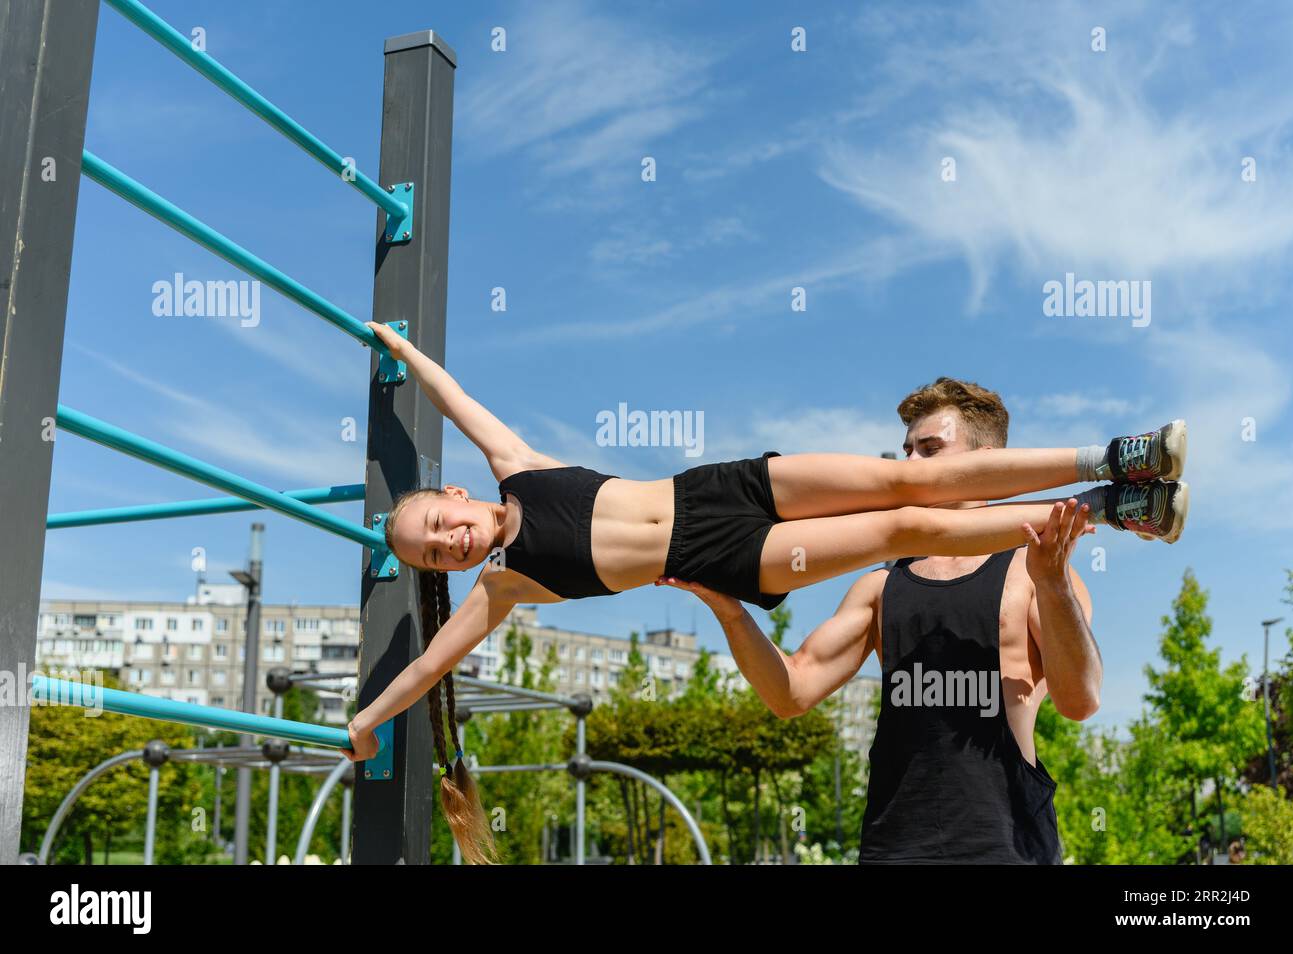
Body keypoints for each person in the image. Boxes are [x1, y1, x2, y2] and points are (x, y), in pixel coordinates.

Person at [345, 326, 1188, 862]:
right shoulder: (504, 588)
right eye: (436, 558)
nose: (450, 546)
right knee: (905, 527)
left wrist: (403, 350)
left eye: (439, 527)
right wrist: (368, 720)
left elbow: (456, 401)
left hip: (725, 489)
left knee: (902, 485)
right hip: (737, 558)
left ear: (455, 499)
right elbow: (426, 671)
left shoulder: (514, 464)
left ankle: (1113, 457)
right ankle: (1117, 508)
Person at [662, 377, 1123, 863]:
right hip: (893, 849)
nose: (909, 467)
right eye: (906, 451)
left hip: (1004, 848)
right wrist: (731, 612)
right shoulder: (880, 588)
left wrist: (1053, 585)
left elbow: (1079, 701)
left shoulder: (1036, 575)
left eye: (930, 450)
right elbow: (790, 692)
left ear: (988, 463)